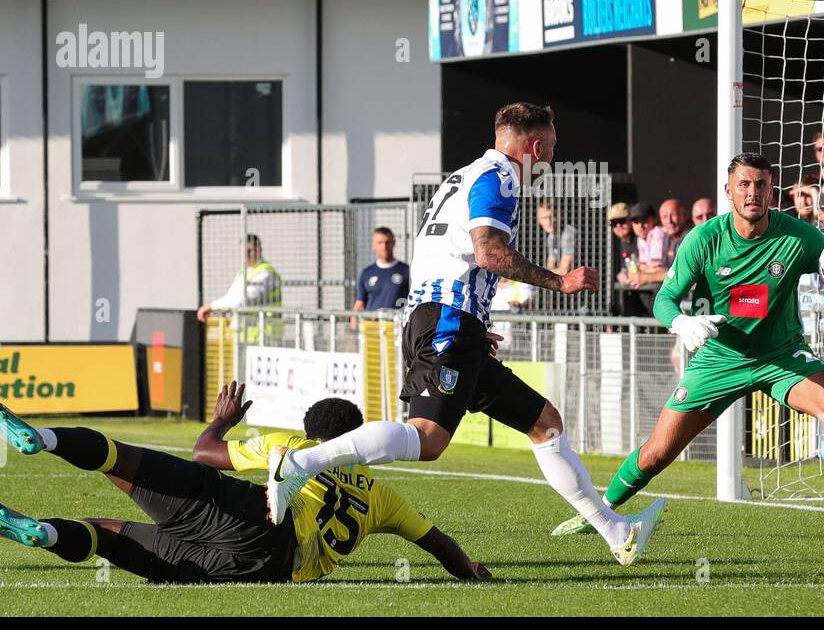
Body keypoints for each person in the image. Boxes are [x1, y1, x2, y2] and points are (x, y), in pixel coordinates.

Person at [267, 103, 665, 566]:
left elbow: (452, 256)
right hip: (447, 320)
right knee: (427, 437)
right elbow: (489, 252)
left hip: (451, 320)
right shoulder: (500, 178)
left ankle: (618, 533)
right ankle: (301, 464)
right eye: (552, 151)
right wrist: (560, 282)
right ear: (535, 147)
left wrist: (474, 326)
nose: (552, 161)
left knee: (545, 424)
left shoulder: (464, 174)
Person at [549, 153, 824, 545]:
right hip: (721, 358)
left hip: (781, 357)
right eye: (744, 185)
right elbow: (665, 297)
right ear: (729, 190)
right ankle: (600, 512)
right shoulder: (704, 239)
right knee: (659, 452)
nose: (753, 192)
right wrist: (680, 321)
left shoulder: (799, 237)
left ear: (772, 190)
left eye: (761, 185)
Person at [0, 387, 489, 583]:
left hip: (253, 513)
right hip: (264, 569)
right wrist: (472, 572)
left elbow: (204, 456)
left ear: (314, 433)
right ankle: (45, 533)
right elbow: (439, 544)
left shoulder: (297, 447)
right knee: (107, 533)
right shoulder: (382, 496)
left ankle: (43, 437)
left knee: (117, 459)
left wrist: (221, 423)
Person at [196, 234, 283, 341]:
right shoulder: (244, 273)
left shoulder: (266, 273)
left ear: (259, 250)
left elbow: (240, 300)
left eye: (250, 250)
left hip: (264, 337)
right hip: (245, 337)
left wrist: (211, 306)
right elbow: (230, 297)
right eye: (243, 251)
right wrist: (215, 309)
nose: (247, 255)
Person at [351, 227, 410, 321]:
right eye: (380, 243)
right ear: (373, 245)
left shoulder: (406, 271)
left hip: (397, 328)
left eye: (387, 242)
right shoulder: (367, 273)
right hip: (373, 328)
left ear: (394, 243)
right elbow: (359, 304)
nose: (384, 247)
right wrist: (353, 328)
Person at [630, 198, 690, 287]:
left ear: (684, 215)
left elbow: (683, 273)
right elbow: (662, 269)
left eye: (673, 215)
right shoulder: (668, 236)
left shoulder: (691, 237)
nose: (669, 221)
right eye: (665, 217)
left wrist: (647, 278)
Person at [538, 203, 579, 276]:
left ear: (560, 216)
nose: (549, 221)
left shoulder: (568, 234)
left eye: (552, 216)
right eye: (544, 218)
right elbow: (550, 265)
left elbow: (564, 270)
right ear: (539, 221)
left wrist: (538, 276)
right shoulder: (550, 237)